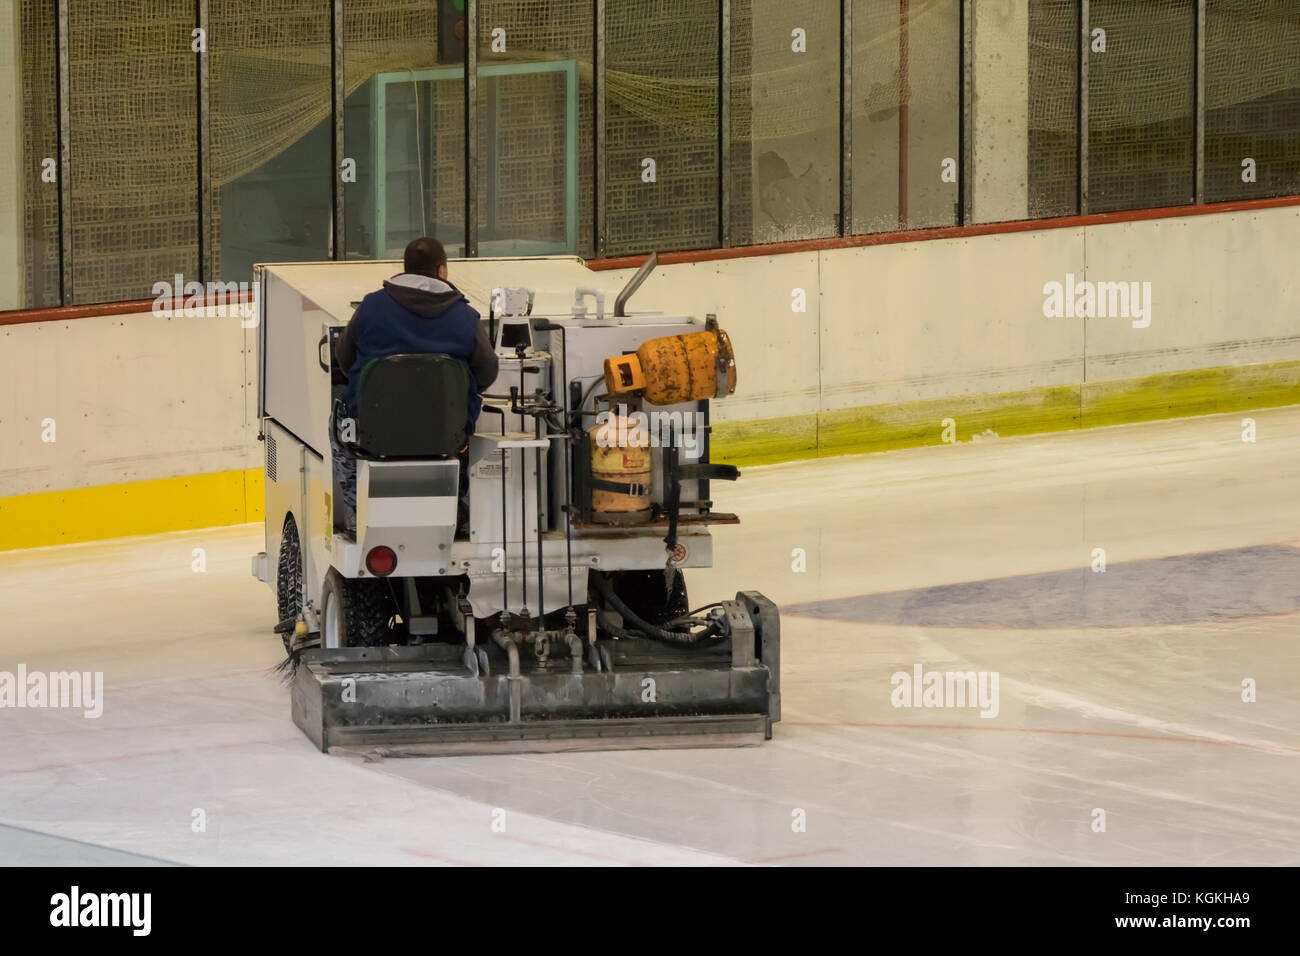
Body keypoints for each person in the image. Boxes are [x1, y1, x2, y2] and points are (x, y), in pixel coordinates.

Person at [330, 237, 498, 534]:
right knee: (471, 426)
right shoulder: (466, 317)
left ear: (405, 268)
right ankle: (455, 501)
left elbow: (344, 359)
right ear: (442, 271)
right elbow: (486, 372)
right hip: (445, 433)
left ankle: (357, 508)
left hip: (374, 431)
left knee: (338, 424)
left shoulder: (371, 307)